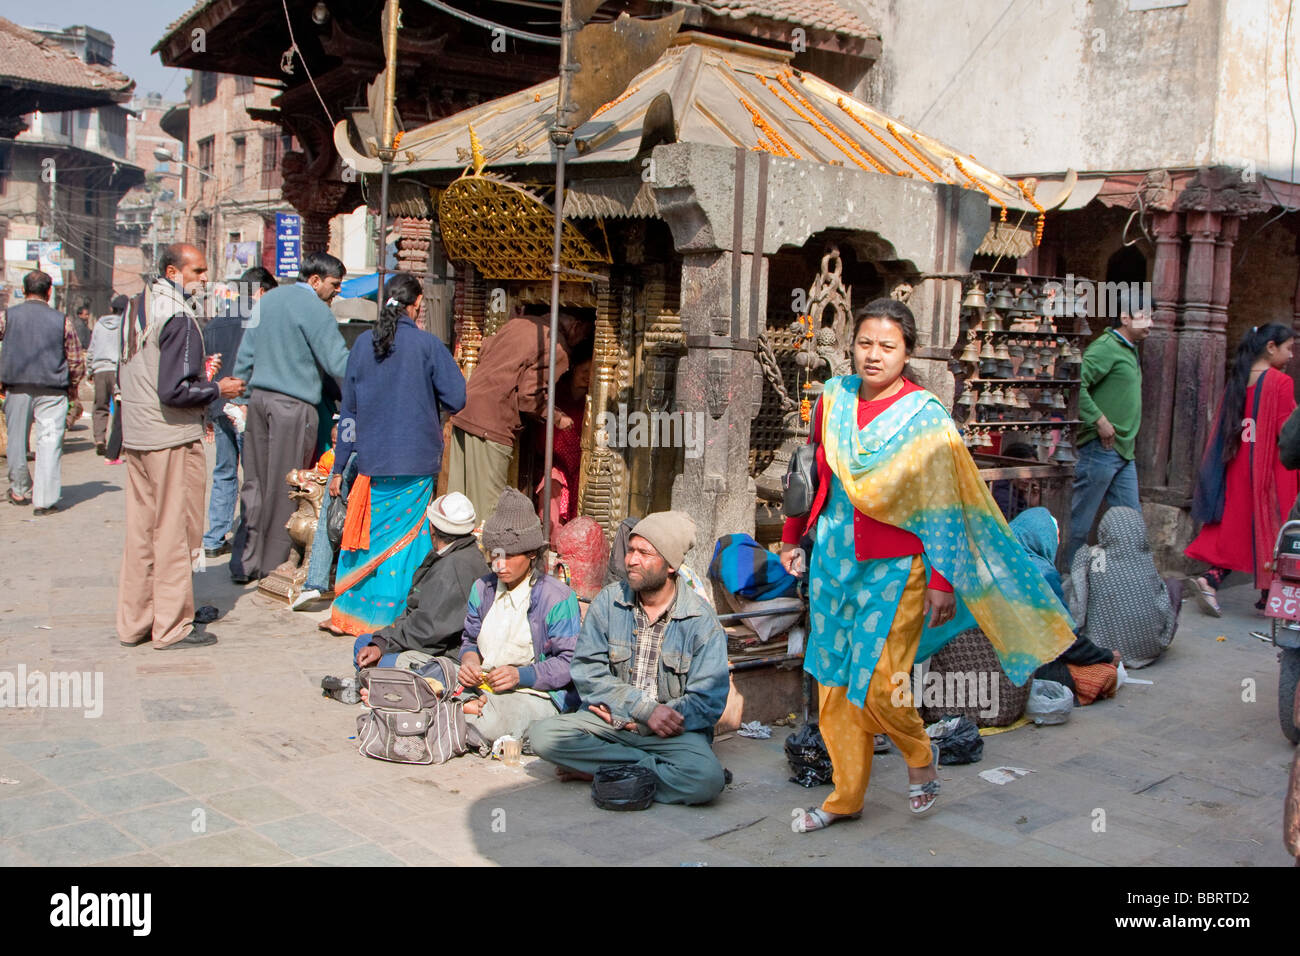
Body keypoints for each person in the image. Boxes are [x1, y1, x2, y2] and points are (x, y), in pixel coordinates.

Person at [777, 299, 1075, 831]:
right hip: (833, 563)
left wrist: (942, 580)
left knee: (879, 682)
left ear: (906, 352)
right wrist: (792, 539)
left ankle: (919, 756)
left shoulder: (925, 418)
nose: (873, 355)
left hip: (897, 569)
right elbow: (808, 474)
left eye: (887, 346)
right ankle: (845, 797)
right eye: (865, 343)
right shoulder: (833, 399)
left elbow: (945, 506)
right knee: (833, 682)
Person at [530, 511, 730, 806]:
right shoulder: (608, 602)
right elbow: (586, 671)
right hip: (612, 721)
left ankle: (607, 769)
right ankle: (642, 771)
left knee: (707, 780)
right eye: (631, 550)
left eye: (644, 553)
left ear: (671, 566)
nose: (631, 560)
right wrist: (640, 710)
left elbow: (708, 701)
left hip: (670, 734)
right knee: (543, 736)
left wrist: (651, 721)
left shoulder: (702, 622)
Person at [116, 244, 245, 649]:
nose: (204, 278)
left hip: (138, 434)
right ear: (173, 271)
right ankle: (171, 625)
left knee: (142, 531)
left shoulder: (138, 305)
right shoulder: (179, 316)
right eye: (198, 271)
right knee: (173, 531)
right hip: (168, 435)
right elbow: (175, 390)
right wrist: (218, 388)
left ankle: (137, 620)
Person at [327, 273, 467, 635]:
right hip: (417, 461)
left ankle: (354, 614)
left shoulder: (361, 346)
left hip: (373, 462)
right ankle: (392, 619)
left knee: (371, 539)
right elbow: (457, 398)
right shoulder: (427, 345)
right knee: (405, 547)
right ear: (416, 305)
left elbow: (349, 413)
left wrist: (339, 467)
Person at [230, 251, 349, 584]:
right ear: (314, 280)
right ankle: (274, 564)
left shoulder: (267, 301)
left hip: (258, 402)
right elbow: (338, 363)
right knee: (289, 488)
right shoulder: (316, 310)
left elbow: (245, 353)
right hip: (293, 407)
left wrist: (240, 396)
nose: (335, 292)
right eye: (334, 285)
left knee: (254, 482)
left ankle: (246, 559)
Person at [322, 493, 488, 703]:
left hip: (447, 657)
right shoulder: (460, 554)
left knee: (373, 652)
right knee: (368, 643)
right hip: (433, 642)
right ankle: (376, 686)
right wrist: (384, 639)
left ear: (432, 529)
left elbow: (426, 632)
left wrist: (383, 644)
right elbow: (417, 616)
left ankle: (378, 689)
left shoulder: (451, 568)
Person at [454, 488, 581, 749]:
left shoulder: (557, 598)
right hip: (485, 687)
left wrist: (520, 675)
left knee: (488, 721)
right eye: (495, 556)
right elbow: (469, 640)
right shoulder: (482, 589)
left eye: (510, 556)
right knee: (420, 672)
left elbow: (569, 663)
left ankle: (461, 713)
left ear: (532, 553)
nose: (500, 565)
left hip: (536, 694)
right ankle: (465, 710)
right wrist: (469, 662)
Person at [1185, 324, 1298, 615]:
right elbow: (1288, 433)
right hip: (1273, 467)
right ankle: (1269, 596)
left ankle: (1213, 579)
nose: (1292, 354)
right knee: (1276, 526)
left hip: (1238, 464)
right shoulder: (1279, 382)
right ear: (1271, 346)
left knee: (1236, 528)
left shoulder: (1239, 379)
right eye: (1289, 347)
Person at [446, 307, 590, 522]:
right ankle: (486, 556)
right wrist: (559, 417)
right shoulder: (556, 346)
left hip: (465, 412)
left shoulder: (517, 324)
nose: (579, 342)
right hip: (492, 426)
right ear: (576, 327)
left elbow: (484, 352)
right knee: (488, 512)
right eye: (584, 335)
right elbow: (529, 396)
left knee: (458, 505)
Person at [1065, 289, 1151, 566]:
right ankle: (1066, 580)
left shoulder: (1129, 350)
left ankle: (1128, 581)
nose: (1151, 322)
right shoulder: (1105, 347)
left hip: (1124, 450)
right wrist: (1099, 420)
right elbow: (1075, 385)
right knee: (1080, 522)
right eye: (1145, 316)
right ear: (1125, 318)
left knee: (1131, 523)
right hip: (1099, 448)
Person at [202, 267, 276, 558]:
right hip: (248, 405)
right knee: (253, 475)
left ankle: (214, 538)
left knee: (224, 471)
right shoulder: (261, 321)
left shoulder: (215, 323)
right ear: (259, 292)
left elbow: (208, 369)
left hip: (220, 405)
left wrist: (209, 411)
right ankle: (249, 538)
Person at [1, 270, 84, 514]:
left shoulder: (7, 317)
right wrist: (73, 388)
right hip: (53, 389)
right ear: (49, 292)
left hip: (16, 388)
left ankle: (19, 489)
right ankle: (45, 501)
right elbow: (76, 359)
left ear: (24, 290)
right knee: (49, 442)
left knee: (16, 442)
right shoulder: (62, 320)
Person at [1067, 506, 1179, 669]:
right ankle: (1144, 642)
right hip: (1149, 650)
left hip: (1100, 650)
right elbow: (1160, 602)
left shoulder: (1090, 555)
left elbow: (1079, 602)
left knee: (1071, 582)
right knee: (1174, 585)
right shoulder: (1145, 558)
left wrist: (1073, 636)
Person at [536, 338, 592, 540]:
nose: (587, 377)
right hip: (556, 462)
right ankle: (549, 537)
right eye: (584, 371)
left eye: (591, 373)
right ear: (574, 369)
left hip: (582, 464)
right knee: (549, 484)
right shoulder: (557, 395)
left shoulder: (592, 402)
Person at [87, 294, 126, 457]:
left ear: (112, 308)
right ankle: (116, 444)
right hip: (118, 370)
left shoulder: (99, 325)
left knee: (100, 406)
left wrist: (90, 369)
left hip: (100, 369)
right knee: (120, 408)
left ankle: (99, 440)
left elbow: (92, 348)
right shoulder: (126, 324)